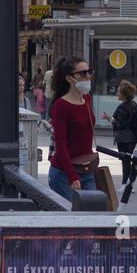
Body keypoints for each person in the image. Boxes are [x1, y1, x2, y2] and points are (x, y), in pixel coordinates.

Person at [47, 56, 97, 202]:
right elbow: (60, 145)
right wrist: (72, 175)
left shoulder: (86, 99)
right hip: (64, 173)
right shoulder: (61, 106)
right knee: (75, 218)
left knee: (92, 216)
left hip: (86, 168)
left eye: (89, 72)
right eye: (82, 73)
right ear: (69, 79)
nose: (88, 76)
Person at [110, 80, 137, 183]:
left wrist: (111, 120)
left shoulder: (122, 108)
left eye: (118, 91)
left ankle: (126, 183)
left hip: (124, 137)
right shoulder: (134, 104)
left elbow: (121, 124)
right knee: (128, 159)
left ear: (123, 94)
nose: (117, 93)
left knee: (125, 161)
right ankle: (129, 182)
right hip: (133, 136)